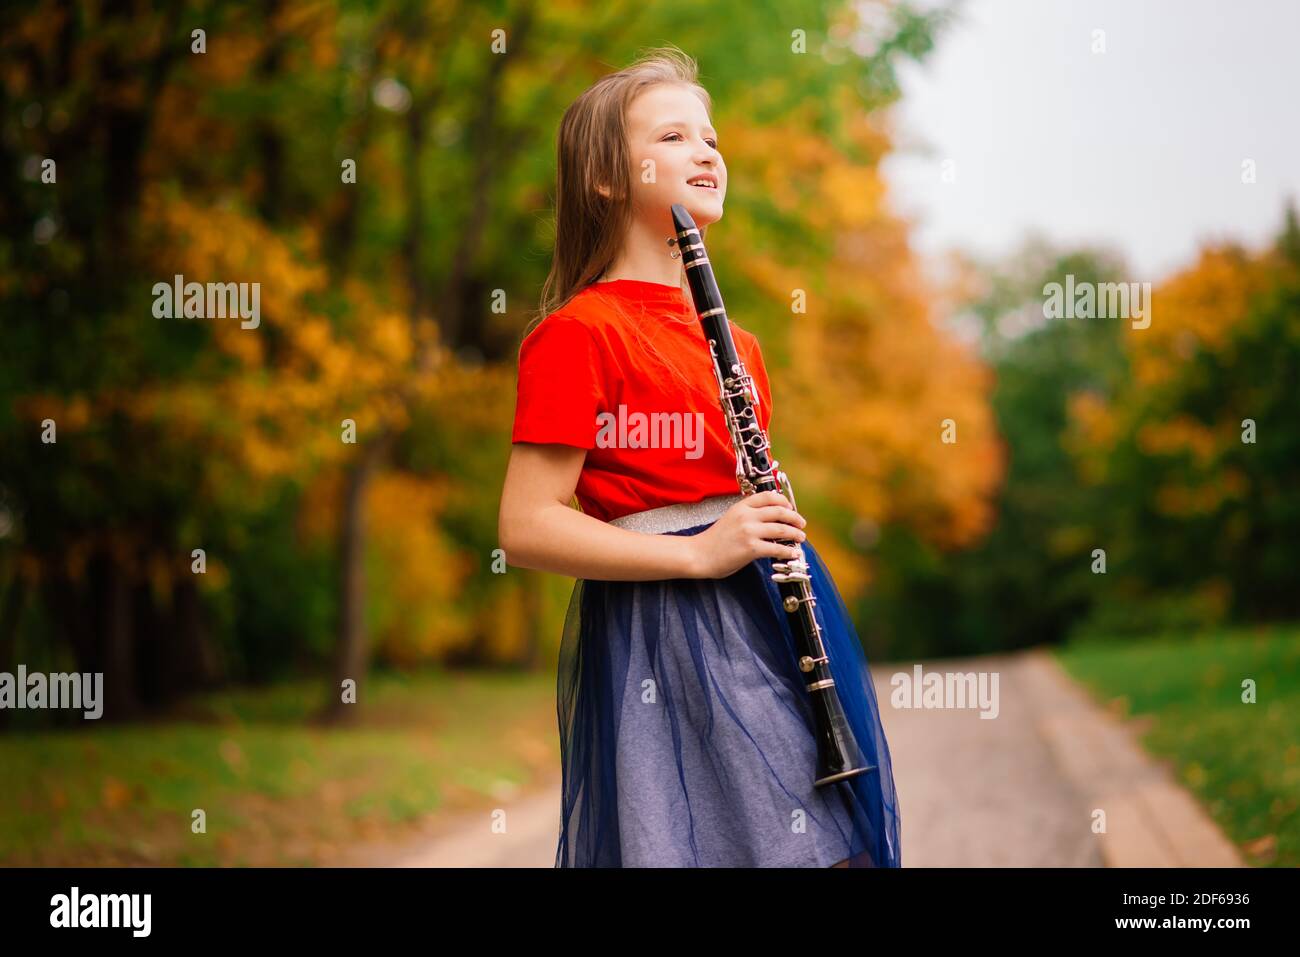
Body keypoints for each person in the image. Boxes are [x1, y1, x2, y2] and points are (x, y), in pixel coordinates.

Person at [498, 46, 901, 868]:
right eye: (675, 136)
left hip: (766, 608)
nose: (708, 151)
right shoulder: (578, 334)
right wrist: (698, 555)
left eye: (710, 137)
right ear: (609, 177)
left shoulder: (740, 345)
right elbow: (525, 526)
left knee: (830, 843)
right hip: (671, 629)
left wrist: (761, 519)